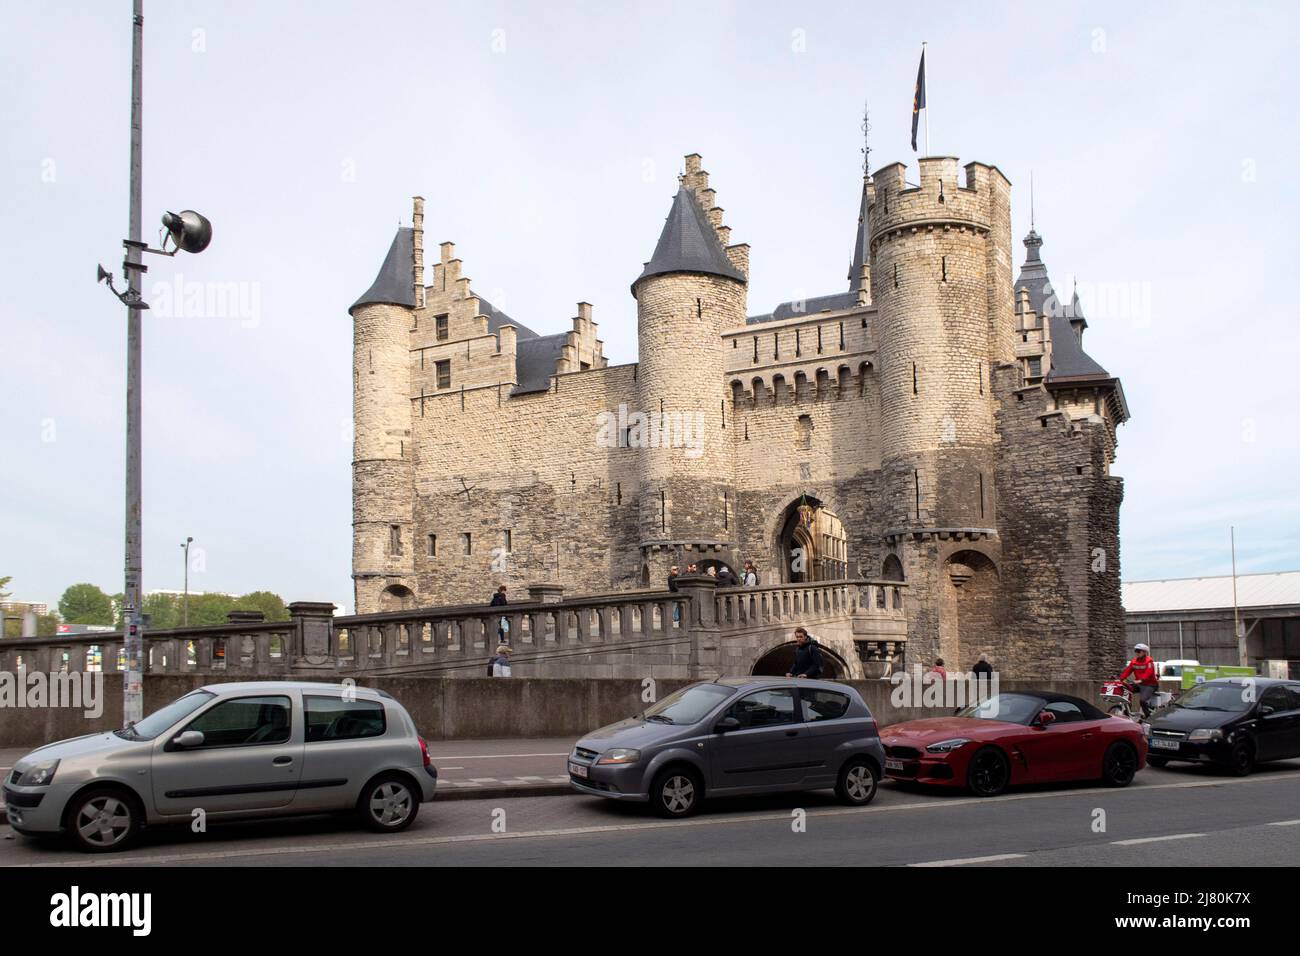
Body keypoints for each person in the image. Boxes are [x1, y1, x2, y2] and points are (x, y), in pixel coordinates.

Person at [1119, 642, 1158, 717]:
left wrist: (1141, 680)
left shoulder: (1149, 661)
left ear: (1144, 652)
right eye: (1135, 651)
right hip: (1139, 684)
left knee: (1142, 701)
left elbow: (1148, 673)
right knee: (1124, 690)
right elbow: (1128, 670)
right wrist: (1121, 679)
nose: (1136, 653)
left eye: (1138, 651)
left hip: (1150, 685)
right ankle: (1127, 712)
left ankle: (1148, 717)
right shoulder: (1134, 661)